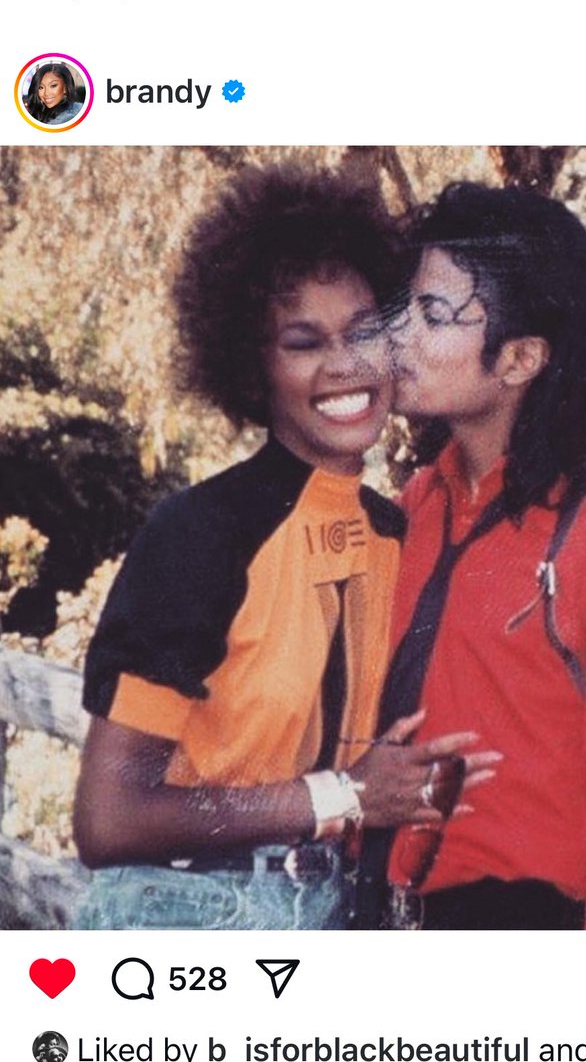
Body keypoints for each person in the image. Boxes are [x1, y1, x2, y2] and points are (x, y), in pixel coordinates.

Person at [73, 166, 492, 931]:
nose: (343, 364)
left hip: (336, 910)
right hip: (183, 917)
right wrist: (343, 796)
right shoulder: (200, 534)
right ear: (251, 366)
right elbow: (109, 819)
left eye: (364, 331)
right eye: (303, 343)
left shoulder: (398, 535)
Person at [358, 182, 586, 931]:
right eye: (403, 305)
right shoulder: (421, 504)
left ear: (519, 358)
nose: (398, 334)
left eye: (433, 314)